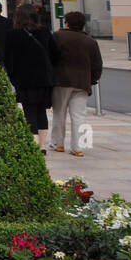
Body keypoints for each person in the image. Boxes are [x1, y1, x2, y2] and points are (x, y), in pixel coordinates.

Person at [1, 3, 61, 153]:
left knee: (29, 112)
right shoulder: (45, 31)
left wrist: (13, 76)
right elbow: (56, 54)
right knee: (42, 112)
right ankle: (42, 146)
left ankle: (33, 146)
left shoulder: (12, 35)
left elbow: (8, 59)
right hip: (44, 79)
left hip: (24, 79)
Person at [50, 11, 102, 157]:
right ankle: (78, 147)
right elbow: (97, 64)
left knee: (59, 113)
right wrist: (92, 79)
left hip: (62, 80)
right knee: (79, 115)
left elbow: (50, 56)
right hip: (82, 82)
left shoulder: (58, 36)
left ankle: (58, 143)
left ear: (66, 23)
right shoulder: (90, 41)